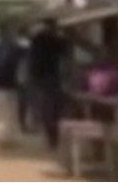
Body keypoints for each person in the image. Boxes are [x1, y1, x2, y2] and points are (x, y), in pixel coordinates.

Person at [28, 17, 68, 148]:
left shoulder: (36, 39)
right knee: (53, 109)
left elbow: (32, 59)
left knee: (46, 109)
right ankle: (53, 137)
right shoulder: (55, 39)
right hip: (52, 77)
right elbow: (65, 51)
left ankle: (50, 137)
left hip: (38, 78)